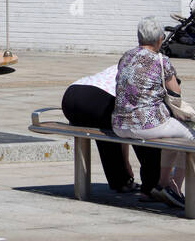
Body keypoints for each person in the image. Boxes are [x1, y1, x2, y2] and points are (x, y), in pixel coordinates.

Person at [112, 15, 195, 210]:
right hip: (146, 124)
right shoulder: (161, 60)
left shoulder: (126, 56)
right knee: (193, 138)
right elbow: (175, 92)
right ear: (159, 39)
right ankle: (172, 187)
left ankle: (162, 185)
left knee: (174, 137)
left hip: (120, 125)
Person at [62, 63, 160, 194]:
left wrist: (126, 164)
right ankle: (151, 186)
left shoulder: (126, 62)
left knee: (107, 133)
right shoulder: (152, 71)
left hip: (71, 95)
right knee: (142, 133)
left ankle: (121, 181)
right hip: (99, 97)